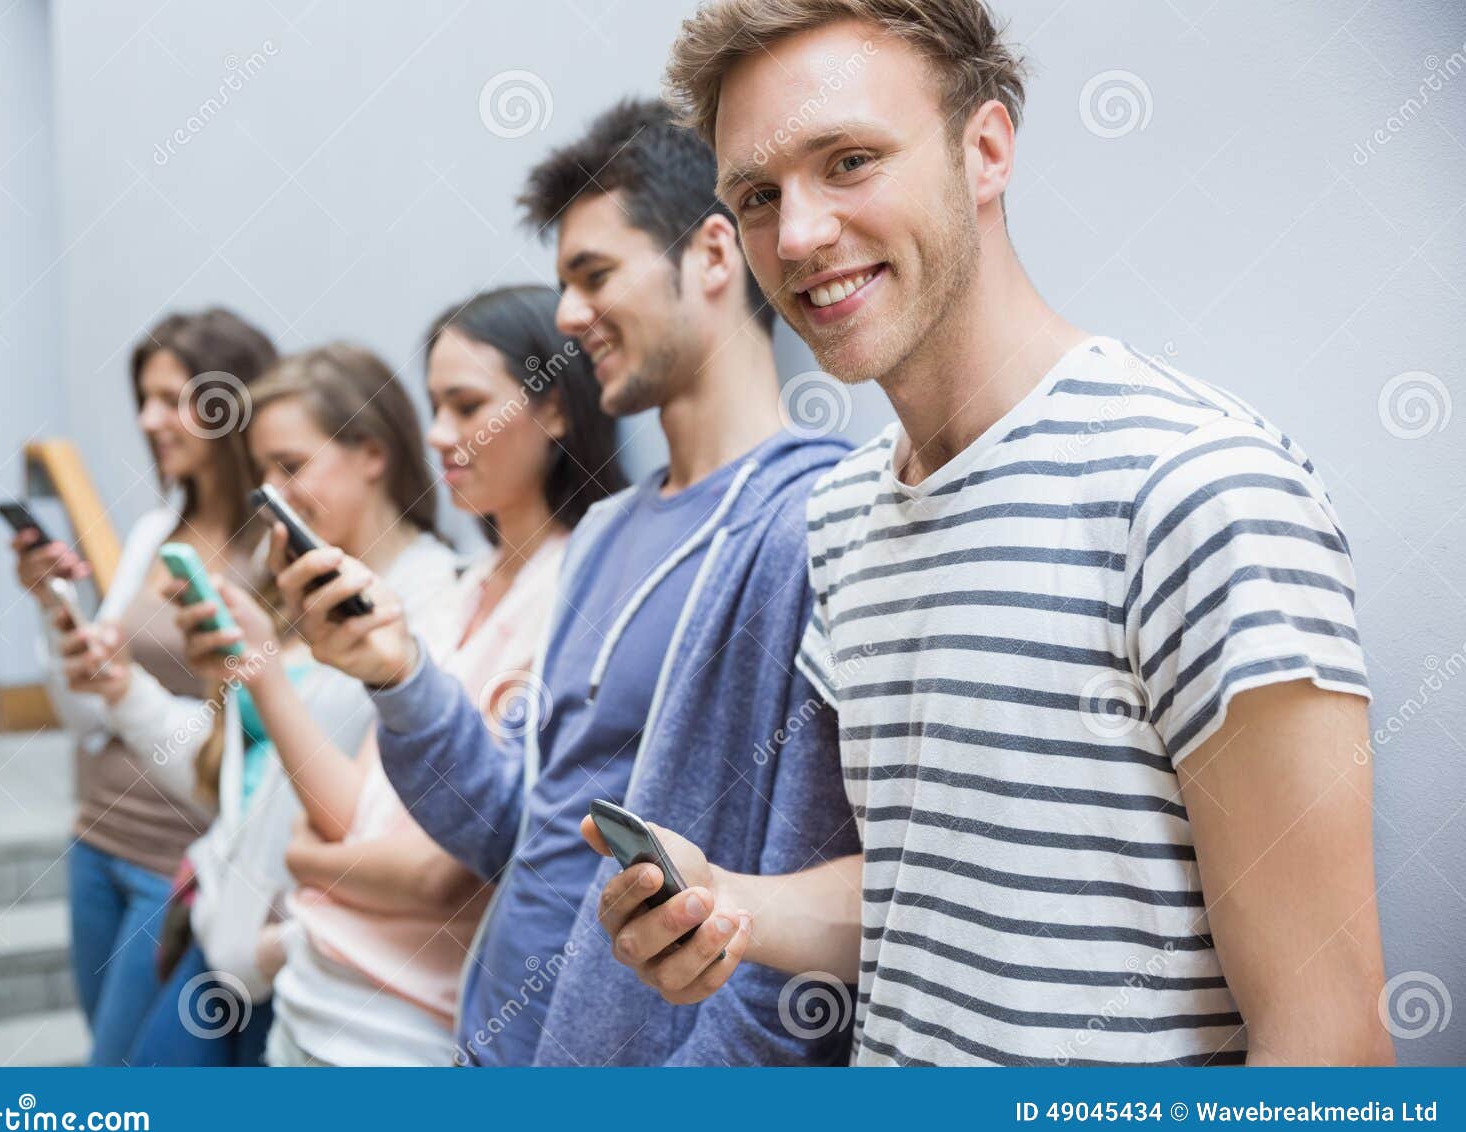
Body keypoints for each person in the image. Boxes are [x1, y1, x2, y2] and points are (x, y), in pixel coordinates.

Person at [588, 0, 1393, 1067]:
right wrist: (732, 903)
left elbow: (1325, 1041)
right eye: (758, 195)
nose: (799, 235)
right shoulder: (842, 516)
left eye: (851, 160)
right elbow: (932, 883)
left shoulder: (1197, 489)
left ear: (986, 149)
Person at [273, 99, 861, 1066]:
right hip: (497, 1045)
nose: (568, 315)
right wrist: (399, 675)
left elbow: (796, 929)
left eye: (593, 275)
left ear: (714, 255)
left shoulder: (807, 522)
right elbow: (515, 826)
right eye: (562, 285)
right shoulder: (600, 534)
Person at [179, 286, 626, 1066]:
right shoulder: (460, 593)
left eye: (465, 404)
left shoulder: (574, 598)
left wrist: (313, 862)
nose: (439, 433)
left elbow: (439, 876)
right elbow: (353, 812)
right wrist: (258, 662)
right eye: (433, 405)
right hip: (311, 1005)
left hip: (401, 1037)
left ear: (554, 410)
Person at [127, 342, 458, 1065]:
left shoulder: (433, 602)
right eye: (263, 472)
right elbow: (249, 780)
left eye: (292, 465)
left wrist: (283, 942)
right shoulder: (290, 591)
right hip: (223, 928)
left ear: (373, 454)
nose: (273, 494)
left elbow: (415, 835)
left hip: (303, 970)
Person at [8, 307, 277, 1066]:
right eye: (145, 398)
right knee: (109, 1051)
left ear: (232, 402)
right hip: (96, 839)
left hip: (179, 861)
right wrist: (54, 617)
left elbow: (253, 739)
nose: (149, 419)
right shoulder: (156, 531)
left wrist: (127, 692)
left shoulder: (271, 555)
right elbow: (88, 716)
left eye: (173, 397)